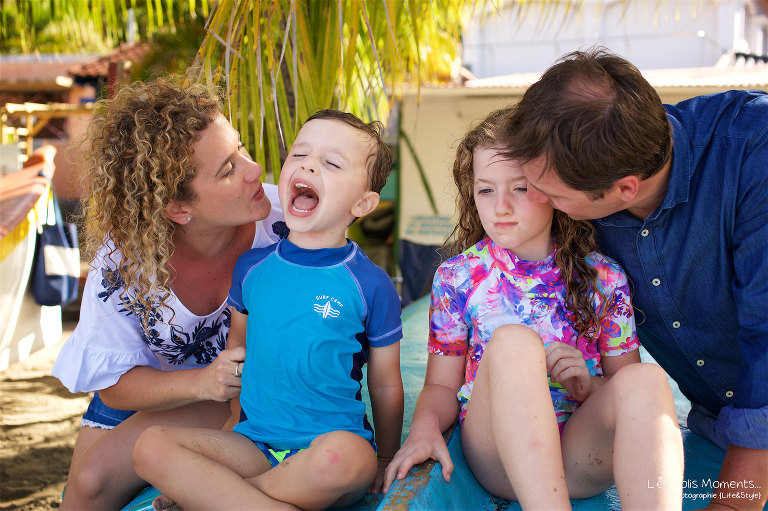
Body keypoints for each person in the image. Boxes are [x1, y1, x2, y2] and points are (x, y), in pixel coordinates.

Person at [503, 47, 768, 511]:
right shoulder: (588, 166)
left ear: (625, 189)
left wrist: (732, 504)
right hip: (714, 428)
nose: (538, 201)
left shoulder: (753, 150)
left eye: (550, 194)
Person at [382, 108, 684, 509]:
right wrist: (422, 429)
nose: (500, 207)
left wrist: (584, 384)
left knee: (646, 381)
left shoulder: (604, 277)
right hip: (500, 459)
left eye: (520, 188)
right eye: (486, 190)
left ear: (553, 186)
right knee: (512, 342)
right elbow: (441, 386)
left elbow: (622, 391)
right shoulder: (459, 277)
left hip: (581, 454)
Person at [132, 109, 404, 510]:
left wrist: (385, 457)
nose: (309, 164)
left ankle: (219, 498)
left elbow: (384, 384)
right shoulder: (252, 267)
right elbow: (237, 352)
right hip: (253, 443)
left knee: (347, 458)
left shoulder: (369, 284)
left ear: (363, 203)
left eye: (331, 163)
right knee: (150, 447)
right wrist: (231, 419)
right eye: (300, 154)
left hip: (327, 449)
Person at [51, 78, 286, 510]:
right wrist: (205, 381)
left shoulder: (284, 226)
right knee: (87, 485)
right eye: (229, 169)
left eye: (242, 148)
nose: (255, 170)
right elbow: (116, 389)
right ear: (178, 208)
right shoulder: (125, 259)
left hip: (253, 392)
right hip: (158, 390)